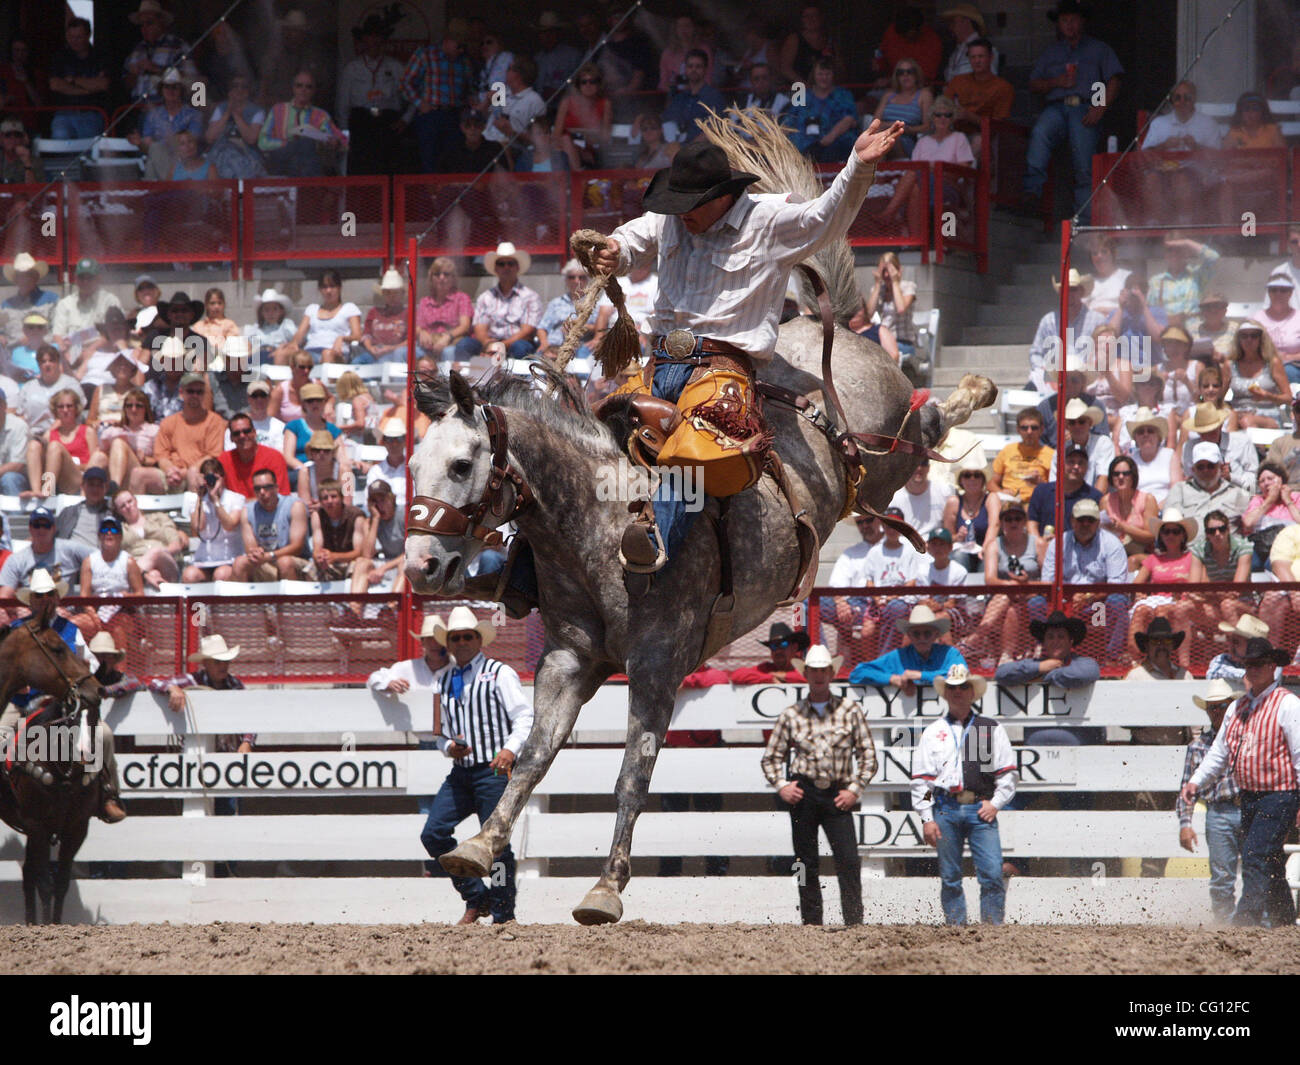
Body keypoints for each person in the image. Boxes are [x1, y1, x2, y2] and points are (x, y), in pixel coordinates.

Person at [594, 117, 906, 578]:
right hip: (656, 364)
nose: (682, 214)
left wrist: (857, 166)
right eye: (676, 203)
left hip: (722, 373)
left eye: (691, 204)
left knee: (694, 450)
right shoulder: (670, 219)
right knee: (595, 441)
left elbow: (826, 218)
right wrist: (612, 250)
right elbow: (632, 240)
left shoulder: (769, 219)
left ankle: (654, 542)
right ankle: (539, 563)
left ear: (722, 196)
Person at [419, 607, 533, 924]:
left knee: (497, 845)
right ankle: (477, 896)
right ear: (450, 643)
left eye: (467, 636)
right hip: (462, 772)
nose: (462, 642)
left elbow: (524, 716)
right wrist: (447, 747)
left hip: (494, 771)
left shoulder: (500, 672)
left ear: (479, 639)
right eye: (456, 637)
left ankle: (501, 912)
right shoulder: (441, 680)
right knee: (433, 834)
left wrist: (510, 750)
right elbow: (437, 731)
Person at [1182, 637, 1300, 927]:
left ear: (1272, 666)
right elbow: (1219, 752)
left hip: (1279, 795)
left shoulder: (1288, 704)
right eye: (1250, 664)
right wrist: (1196, 781)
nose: (1254, 668)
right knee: (1268, 859)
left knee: (1255, 855)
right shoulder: (1238, 708)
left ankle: (1244, 923)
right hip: (1250, 795)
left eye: (1259, 663)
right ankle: (1284, 922)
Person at [760, 643, 873, 926]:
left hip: (838, 793)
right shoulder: (791, 714)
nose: (819, 676)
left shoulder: (850, 710)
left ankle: (853, 921)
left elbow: (868, 755)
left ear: (831, 673)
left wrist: (854, 789)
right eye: (814, 671)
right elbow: (771, 758)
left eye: (824, 671)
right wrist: (782, 785)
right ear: (806, 673)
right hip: (804, 793)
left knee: (848, 860)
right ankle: (811, 923)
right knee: (803, 862)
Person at [0, 569, 125, 825]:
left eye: (49, 595)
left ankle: (108, 794)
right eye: (39, 596)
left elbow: (87, 667)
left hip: (64, 706)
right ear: (31, 600)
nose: (45, 600)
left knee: (105, 736)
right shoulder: (15, 632)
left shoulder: (71, 631)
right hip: (20, 702)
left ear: (57, 598)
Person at [912, 663, 1016, 926]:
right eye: (953, 688)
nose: (957, 692)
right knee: (950, 876)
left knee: (992, 873)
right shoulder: (933, 731)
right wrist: (927, 818)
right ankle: (956, 929)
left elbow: (1008, 774)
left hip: (980, 807)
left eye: (963, 687)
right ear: (946, 693)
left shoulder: (989, 728)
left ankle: (991, 928)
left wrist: (995, 803)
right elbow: (924, 783)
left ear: (972, 692)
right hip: (945, 807)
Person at [1022, 0, 1123, 224]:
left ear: (1082, 22)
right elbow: (1033, 84)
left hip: (1085, 106)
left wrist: (1100, 107)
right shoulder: (1051, 52)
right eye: (1064, 20)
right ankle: (1031, 192)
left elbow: (1114, 80)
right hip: (1057, 106)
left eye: (1073, 20)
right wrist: (1055, 81)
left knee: (1083, 161)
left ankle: (1085, 219)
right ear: (1058, 24)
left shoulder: (1099, 49)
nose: (1068, 25)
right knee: (1040, 132)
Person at [1177, 678, 1245, 922]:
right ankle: (1225, 925)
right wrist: (1185, 824)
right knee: (1222, 877)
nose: (1217, 712)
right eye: (1212, 707)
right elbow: (1187, 790)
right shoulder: (1198, 746)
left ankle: (1254, 922)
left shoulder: (1245, 736)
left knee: (1255, 870)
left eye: (1222, 706)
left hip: (1249, 808)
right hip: (1219, 812)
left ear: (1231, 706)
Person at [1041, 498, 1130, 661]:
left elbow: (1116, 586)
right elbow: (1048, 581)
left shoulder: (1111, 544)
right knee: (1037, 604)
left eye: (1090, 520)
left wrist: (1088, 597)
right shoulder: (1058, 543)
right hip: (1064, 603)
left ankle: (1111, 658)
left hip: (1097, 605)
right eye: (1081, 520)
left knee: (1117, 601)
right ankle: (1045, 655)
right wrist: (1067, 600)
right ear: (1072, 521)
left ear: (1098, 522)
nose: (1085, 524)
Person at [336, 14, 408, 177]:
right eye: (369, 39)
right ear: (363, 42)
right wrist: (344, 134)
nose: (373, 44)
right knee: (361, 171)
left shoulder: (396, 67)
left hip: (387, 123)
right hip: (361, 123)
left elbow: (412, 97)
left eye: (378, 39)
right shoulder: (352, 68)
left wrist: (406, 119)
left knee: (389, 170)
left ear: (384, 41)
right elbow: (342, 104)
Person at [848, 604, 967, 697]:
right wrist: (893, 679)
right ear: (909, 635)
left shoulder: (950, 653)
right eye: (916, 634)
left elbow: (962, 674)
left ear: (936, 634)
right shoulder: (898, 656)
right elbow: (857, 673)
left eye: (927, 633)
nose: (922, 638)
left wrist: (920, 676)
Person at [454, 243, 542, 362]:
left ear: (517, 267)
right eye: (501, 264)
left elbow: (527, 331)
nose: (506, 267)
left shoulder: (530, 297)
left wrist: (503, 345)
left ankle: (520, 381)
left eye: (510, 263)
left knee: (521, 347)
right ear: (496, 269)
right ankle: (462, 379)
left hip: (516, 343)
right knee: (464, 345)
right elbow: (479, 328)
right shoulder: (485, 297)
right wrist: (488, 343)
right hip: (490, 342)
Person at [1026, 270, 1107, 395]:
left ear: (1081, 292)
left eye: (1073, 289)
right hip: (1054, 378)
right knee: (1031, 385)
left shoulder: (1097, 320)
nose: (1069, 294)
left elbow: (1106, 353)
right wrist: (1047, 371)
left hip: (1085, 379)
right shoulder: (1048, 321)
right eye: (1065, 289)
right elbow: (1035, 354)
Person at [401, 35, 473, 174]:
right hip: (430, 114)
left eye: (464, 47)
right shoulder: (426, 54)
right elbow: (405, 82)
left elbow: (470, 88)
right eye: (459, 46)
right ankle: (430, 195)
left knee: (454, 162)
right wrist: (419, 103)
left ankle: (451, 195)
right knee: (429, 162)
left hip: (454, 116)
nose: (461, 50)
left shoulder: (464, 60)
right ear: (447, 41)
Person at [257, 71, 348, 178]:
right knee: (303, 144)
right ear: (293, 88)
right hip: (281, 161)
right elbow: (262, 142)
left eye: (308, 87)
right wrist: (289, 144)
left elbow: (343, 141)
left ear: (313, 91)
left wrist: (334, 142)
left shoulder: (321, 115)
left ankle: (306, 188)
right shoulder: (278, 110)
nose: (303, 90)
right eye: (299, 86)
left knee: (305, 147)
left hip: (308, 163)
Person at [231, 469, 310, 581]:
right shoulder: (248, 511)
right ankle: (242, 599)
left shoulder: (295, 506)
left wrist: (270, 555)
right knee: (240, 562)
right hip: (266, 562)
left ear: (276, 487)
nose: (262, 492)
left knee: (284, 562)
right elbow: (251, 548)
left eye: (267, 487)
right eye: (257, 489)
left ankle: (292, 599)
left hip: (295, 561)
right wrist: (256, 553)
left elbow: (297, 547)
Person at [1028, 444, 1101, 563]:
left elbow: (1096, 531)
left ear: (1087, 467)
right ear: (1061, 464)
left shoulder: (1095, 497)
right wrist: (1040, 543)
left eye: (1081, 463)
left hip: (1080, 555)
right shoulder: (1041, 491)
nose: (1076, 466)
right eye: (1071, 462)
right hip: (1043, 552)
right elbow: (1032, 522)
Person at [155, 373, 227, 494]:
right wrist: (170, 471)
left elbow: (213, 455)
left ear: (204, 395)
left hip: (199, 474)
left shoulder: (215, 421)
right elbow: (161, 455)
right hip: (171, 474)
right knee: (139, 474)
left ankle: (194, 512)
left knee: (192, 473)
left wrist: (185, 472)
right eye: (190, 391)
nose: (195, 395)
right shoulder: (168, 422)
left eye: (199, 392)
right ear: (181, 393)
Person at [993, 609, 1100, 689]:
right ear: (1043, 642)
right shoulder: (1035, 663)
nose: (1055, 641)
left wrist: (1046, 675)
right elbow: (1001, 674)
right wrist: (1039, 667)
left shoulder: (1084, 663)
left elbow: (1085, 674)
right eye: (1050, 637)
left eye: (1061, 637)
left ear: (1070, 641)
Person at [132, 68, 203, 181]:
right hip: (160, 157)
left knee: (153, 157)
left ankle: (159, 191)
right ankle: (169, 188)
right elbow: (147, 145)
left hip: (184, 159)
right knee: (155, 152)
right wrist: (139, 143)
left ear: (181, 90)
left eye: (175, 87)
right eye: (167, 87)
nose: (171, 90)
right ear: (161, 90)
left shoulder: (194, 115)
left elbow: (192, 142)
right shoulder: (152, 115)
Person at [180, 457, 244, 583]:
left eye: (214, 478)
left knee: (221, 575)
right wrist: (200, 495)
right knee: (189, 575)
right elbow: (198, 528)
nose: (211, 482)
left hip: (229, 559)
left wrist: (215, 499)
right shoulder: (196, 500)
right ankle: (197, 604)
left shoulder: (236, 498)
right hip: (204, 560)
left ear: (222, 478)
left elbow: (229, 525)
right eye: (207, 478)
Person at [946, 36, 1012, 156]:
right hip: (953, 132)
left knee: (978, 141)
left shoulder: (1003, 87)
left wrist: (970, 117)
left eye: (981, 56)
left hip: (983, 137)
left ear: (991, 58)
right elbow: (942, 107)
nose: (977, 61)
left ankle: (963, 173)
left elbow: (999, 126)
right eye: (973, 57)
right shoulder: (957, 81)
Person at [1163, 441, 1250, 532]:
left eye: (1211, 466)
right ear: (1193, 470)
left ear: (1220, 467)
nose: (1206, 471)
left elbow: (1251, 522)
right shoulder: (1179, 490)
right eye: (1200, 467)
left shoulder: (1236, 493)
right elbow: (1169, 526)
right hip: (1190, 545)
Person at [122, 0, 197, 103]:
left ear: (161, 22)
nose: (145, 28)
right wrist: (133, 74)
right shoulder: (137, 50)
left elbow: (192, 80)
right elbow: (126, 85)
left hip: (168, 108)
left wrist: (157, 69)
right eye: (141, 25)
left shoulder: (178, 46)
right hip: (138, 109)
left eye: (149, 23)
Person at [785, 58, 858, 163]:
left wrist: (827, 139)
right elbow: (790, 120)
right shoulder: (801, 95)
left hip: (833, 143)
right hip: (802, 144)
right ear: (814, 75)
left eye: (827, 74)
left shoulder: (843, 94)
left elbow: (849, 119)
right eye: (820, 74)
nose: (824, 78)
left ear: (833, 75)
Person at [48, 17, 110, 141]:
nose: (74, 41)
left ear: (88, 35)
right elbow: (55, 85)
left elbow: (103, 84)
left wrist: (73, 80)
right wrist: (88, 89)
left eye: (79, 37)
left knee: (89, 153)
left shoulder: (100, 56)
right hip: (64, 114)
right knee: (60, 138)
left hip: (92, 113)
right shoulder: (60, 57)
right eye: (71, 37)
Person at [50, 260, 123, 356]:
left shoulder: (110, 301)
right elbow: (57, 335)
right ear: (75, 279)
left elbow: (117, 334)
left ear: (98, 278)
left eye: (90, 278)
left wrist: (91, 350)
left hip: (103, 354)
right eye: (81, 278)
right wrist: (65, 353)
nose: (85, 281)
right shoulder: (65, 304)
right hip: (71, 355)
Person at [114, 488, 184, 587]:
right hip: (141, 568)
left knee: (156, 552)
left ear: (136, 500)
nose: (128, 506)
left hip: (167, 563)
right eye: (123, 506)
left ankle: (125, 582)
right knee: (154, 575)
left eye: (130, 501)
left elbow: (176, 545)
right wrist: (145, 573)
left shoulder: (160, 518)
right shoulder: (120, 530)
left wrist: (156, 554)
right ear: (118, 511)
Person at [289, 271, 362, 365]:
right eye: (325, 287)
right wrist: (293, 343)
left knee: (326, 354)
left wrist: (342, 338)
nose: (328, 291)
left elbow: (358, 336)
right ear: (320, 289)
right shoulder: (312, 309)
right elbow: (300, 333)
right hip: (310, 352)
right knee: (282, 353)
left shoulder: (349, 308)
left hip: (336, 354)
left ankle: (325, 380)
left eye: (332, 286)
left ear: (339, 288)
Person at [99, 387, 161, 495]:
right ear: (124, 409)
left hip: (138, 470)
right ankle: (85, 497)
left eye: (138, 406)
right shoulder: (114, 430)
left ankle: (115, 489)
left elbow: (159, 460)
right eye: (129, 405)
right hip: (113, 468)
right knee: (98, 457)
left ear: (145, 408)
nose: (133, 409)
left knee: (119, 443)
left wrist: (145, 459)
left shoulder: (154, 430)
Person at [204, 73, 267, 180]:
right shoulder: (221, 108)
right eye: (235, 86)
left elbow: (251, 139)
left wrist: (236, 115)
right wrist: (227, 112)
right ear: (230, 90)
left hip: (246, 156)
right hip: (220, 154)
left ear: (249, 90)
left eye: (244, 86)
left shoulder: (257, 111)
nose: (239, 89)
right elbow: (210, 137)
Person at [1228, 323, 1290, 429]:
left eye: (1254, 336)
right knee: (1234, 420)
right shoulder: (1230, 365)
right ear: (1238, 340)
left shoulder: (1272, 363)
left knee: (1247, 421)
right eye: (1244, 336)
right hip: (1237, 414)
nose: (1249, 339)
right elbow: (1219, 396)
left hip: (1268, 415)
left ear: (1261, 339)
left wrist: (1267, 396)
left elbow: (1288, 398)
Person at [1148, 234, 1218, 329]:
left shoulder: (1197, 276)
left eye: (1179, 249)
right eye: (1170, 250)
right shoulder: (1156, 281)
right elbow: (1150, 315)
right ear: (1165, 255)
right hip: (1168, 337)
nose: (1174, 253)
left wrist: (1186, 242)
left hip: (1194, 335)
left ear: (1187, 253)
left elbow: (1214, 258)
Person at [943, 454, 998, 573]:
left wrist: (985, 547)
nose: (972, 479)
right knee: (959, 556)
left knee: (989, 556)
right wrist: (958, 537)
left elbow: (995, 525)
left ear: (983, 480)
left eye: (977, 475)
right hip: (961, 550)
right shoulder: (954, 502)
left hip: (985, 548)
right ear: (961, 480)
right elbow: (948, 537)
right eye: (967, 475)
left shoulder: (991, 498)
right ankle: (959, 591)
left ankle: (985, 591)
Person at [1101, 453, 1157, 567]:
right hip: (1112, 555)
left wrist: (1123, 527)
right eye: (1116, 474)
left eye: (1126, 473)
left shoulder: (1147, 499)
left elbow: (1151, 537)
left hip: (1141, 555)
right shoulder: (1105, 501)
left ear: (1133, 476)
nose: (1121, 477)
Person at [1243, 462, 1300, 573]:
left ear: (1281, 480)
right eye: (1262, 481)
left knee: (1272, 563)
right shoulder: (1258, 500)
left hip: (1288, 547)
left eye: (1270, 478)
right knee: (1251, 563)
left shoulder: (1296, 497)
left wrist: (1287, 501)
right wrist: (1269, 501)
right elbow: (1248, 523)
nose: (1266, 483)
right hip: (1261, 546)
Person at [989, 407, 1054, 504]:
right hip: (1008, 501)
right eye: (1024, 428)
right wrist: (1001, 492)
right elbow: (991, 483)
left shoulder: (1051, 454)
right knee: (992, 498)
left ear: (1041, 430)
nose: (1029, 432)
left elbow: (1054, 490)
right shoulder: (1008, 450)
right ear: (1018, 429)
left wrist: (1039, 483)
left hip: (1036, 502)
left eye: (1034, 427)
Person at [352, 479, 406, 594]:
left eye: (383, 500)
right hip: (387, 564)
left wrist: (384, 568)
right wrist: (376, 519)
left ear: (393, 498)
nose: (380, 506)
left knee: (405, 563)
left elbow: (411, 553)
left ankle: (391, 607)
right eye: (375, 502)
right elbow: (367, 555)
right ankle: (354, 609)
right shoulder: (370, 521)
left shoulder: (404, 515)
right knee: (361, 563)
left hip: (403, 564)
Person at [554, 63, 612, 169]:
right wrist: (579, 149)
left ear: (598, 84)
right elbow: (557, 134)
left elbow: (605, 136)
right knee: (566, 140)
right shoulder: (567, 103)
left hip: (593, 149)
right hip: (567, 149)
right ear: (578, 85)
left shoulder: (605, 103)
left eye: (592, 81)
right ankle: (577, 173)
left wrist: (585, 143)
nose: (588, 85)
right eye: (584, 82)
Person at [873, 59, 934, 158]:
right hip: (884, 134)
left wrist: (908, 129)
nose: (905, 75)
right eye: (901, 73)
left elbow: (928, 126)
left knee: (890, 137)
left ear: (916, 75)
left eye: (910, 72)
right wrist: (893, 126)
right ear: (896, 77)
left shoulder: (924, 95)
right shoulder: (888, 95)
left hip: (908, 138)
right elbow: (875, 122)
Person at [1121, 406, 1181, 508]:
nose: (1145, 435)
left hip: (1167, 508)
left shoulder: (1170, 455)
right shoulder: (1131, 461)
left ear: (1158, 436)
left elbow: (1177, 490)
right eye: (1141, 432)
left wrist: (1157, 508)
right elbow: (1127, 492)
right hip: (1138, 510)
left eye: (1150, 431)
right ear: (1135, 438)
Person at [482, 58, 545, 151]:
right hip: (485, 141)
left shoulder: (535, 101)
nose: (505, 72)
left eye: (508, 69)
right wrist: (487, 101)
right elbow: (486, 118)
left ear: (518, 75)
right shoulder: (502, 92)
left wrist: (511, 132)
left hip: (510, 150)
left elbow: (539, 140)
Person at [42, 388, 96, 497]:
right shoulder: (49, 435)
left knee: (55, 446)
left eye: (69, 406)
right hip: (57, 482)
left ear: (76, 408)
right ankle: (46, 492)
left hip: (79, 481)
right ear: (56, 410)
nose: (65, 410)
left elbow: (95, 464)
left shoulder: (87, 432)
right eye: (61, 407)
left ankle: (46, 491)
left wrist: (71, 465)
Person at [416, 258, 473, 359]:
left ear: (453, 278)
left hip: (451, 342)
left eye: (446, 274)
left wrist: (448, 337)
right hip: (428, 344)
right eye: (437, 274)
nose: (441, 278)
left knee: (448, 352)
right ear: (431, 278)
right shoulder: (424, 302)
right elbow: (417, 327)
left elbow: (465, 326)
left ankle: (448, 375)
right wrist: (421, 332)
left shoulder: (461, 298)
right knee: (403, 352)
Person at [864, 252, 918, 356]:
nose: (886, 275)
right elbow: (868, 314)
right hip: (883, 341)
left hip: (903, 342)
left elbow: (901, 309)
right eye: (883, 271)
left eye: (889, 271)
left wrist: (895, 282)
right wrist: (877, 285)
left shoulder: (908, 287)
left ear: (899, 270)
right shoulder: (879, 290)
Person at [81, 515, 143, 602]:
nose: (109, 533)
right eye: (104, 530)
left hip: (122, 609)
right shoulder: (89, 562)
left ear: (120, 537)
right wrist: (93, 614)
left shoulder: (129, 562)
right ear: (99, 536)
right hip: (95, 610)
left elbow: (140, 593)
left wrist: (127, 597)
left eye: (114, 530)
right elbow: (84, 596)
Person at [889, 458, 951, 540]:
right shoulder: (893, 497)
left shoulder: (944, 492)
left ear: (928, 468)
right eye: (914, 464)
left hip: (935, 545)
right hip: (904, 545)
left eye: (923, 464)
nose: (919, 468)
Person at [730, 622, 810, 684]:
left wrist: (785, 676)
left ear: (794, 647)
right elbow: (737, 676)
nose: (778, 651)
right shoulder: (767, 669)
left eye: (783, 644)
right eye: (773, 646)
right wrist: (769, 678)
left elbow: (817, 678)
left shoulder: (807, 668)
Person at [359, 270, 410, 365]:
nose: (392, 296)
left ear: (402, 294)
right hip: (373, 352)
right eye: (388, 293)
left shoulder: (408, 313)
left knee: (383, 362)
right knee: (357, 362)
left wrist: (390, 348)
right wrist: (370, 348)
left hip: (394, 354)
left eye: (395, 293)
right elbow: (366, 334)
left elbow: (410, 340)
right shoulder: (373, 312)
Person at [55, 465, 112, 548]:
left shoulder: (111, 513)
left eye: (99, 485)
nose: (95, 489)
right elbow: (49, 533)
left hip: (96, 557)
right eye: (91, 485)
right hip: (68, 556)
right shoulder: (68, 512)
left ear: (105, 488)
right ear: (83, 486)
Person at [1253, 274, 1300, 373]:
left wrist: (1289, 357)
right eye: (1273, 290)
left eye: (1283, 290)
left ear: (1291, 292)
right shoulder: (1255, 319)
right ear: (1268, 292)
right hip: (1262, 367)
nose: (1278, 294)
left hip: (1295, 367)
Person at [244, 289, 297, 365]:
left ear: (281, 311)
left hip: (277, 355)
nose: (271, 313)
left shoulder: (285, 326)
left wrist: (283, 349)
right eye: (266, 310)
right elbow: (249, 346)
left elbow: (295, 343)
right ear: (261, 312)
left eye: (275, 309)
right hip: (258, 355)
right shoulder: (257, 328)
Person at [1264, 393, 1300, 486]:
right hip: (1286, 493)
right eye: (1299, 410)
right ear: (1293, 413)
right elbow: (1270, 476)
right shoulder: (1279, 443)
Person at [0, 391, 30, 497]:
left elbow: (17, 464)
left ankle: (14, 513)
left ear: (5, 406)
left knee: (9, 478)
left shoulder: (18, 426)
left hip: (20, 478)